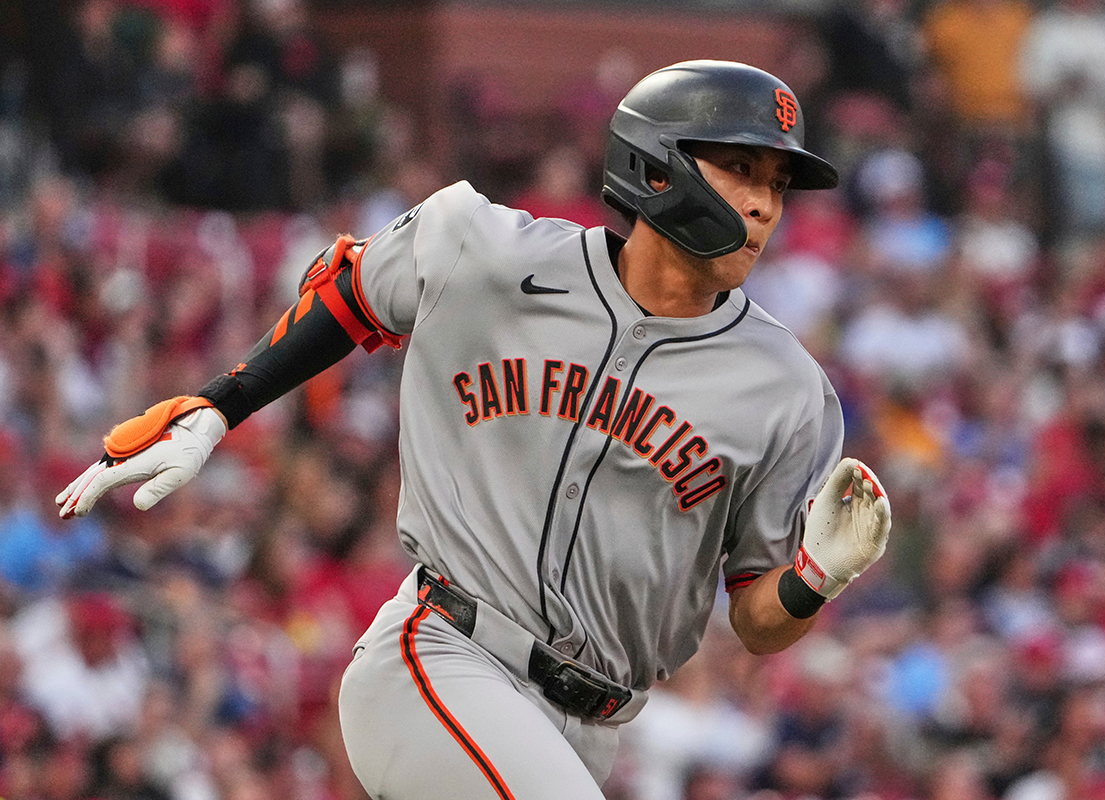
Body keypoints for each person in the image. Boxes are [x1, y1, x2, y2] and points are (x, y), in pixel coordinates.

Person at [55, 60, 892, 798]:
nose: (762, 203)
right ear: (658, 164)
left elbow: (756, 618)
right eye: (740, 167)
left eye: (779, 183)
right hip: (442, 659)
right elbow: (351, 289)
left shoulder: (786, 391)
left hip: (591, 729)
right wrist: (218, 406)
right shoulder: (491, 252)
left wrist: (813, 580)